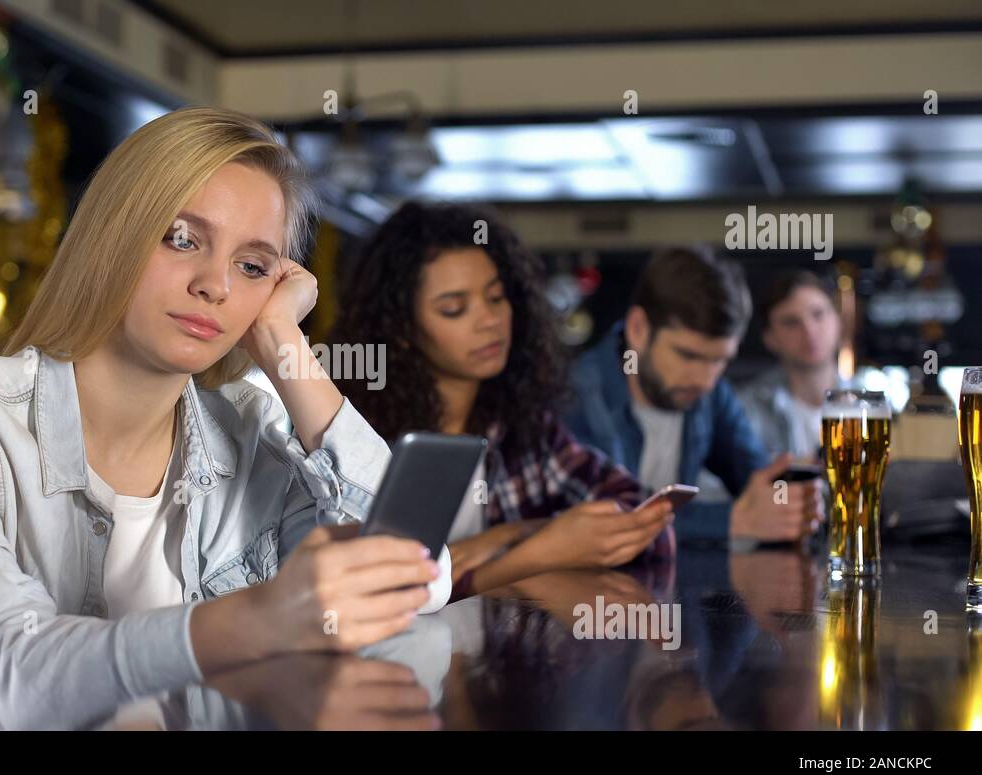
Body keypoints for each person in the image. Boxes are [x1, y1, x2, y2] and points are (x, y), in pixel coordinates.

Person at [0, 107, 450, 731]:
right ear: (113, 239)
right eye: (182, 239)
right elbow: (17, 679)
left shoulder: (248, 425)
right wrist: (257, 619)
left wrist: (284, 344)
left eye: (252, 266)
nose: (215, 285)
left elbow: (422, 578)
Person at [330, 202, 673, 599]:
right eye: (454, 309)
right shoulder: (360, 439)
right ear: (401, 329)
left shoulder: (523, 433)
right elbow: (383, 594)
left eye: (496, 298)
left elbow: (651, 523)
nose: (489, 320)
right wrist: (538, 552)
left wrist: (509, 536)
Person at [564, 247, 823, 544]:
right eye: (688, 355)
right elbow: (613, 522)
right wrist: (736, 519)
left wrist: (786, 501)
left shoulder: (709, 393)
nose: (705, 379)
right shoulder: (578, 394)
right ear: (638, 329)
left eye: (719, 360)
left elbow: (757, 483)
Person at [737, 269, 841, 460]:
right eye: (791, 322)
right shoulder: (743, 410)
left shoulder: (872, 404)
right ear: (770, 338)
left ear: (838, 320)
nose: (809, 331)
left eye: (818, 315)